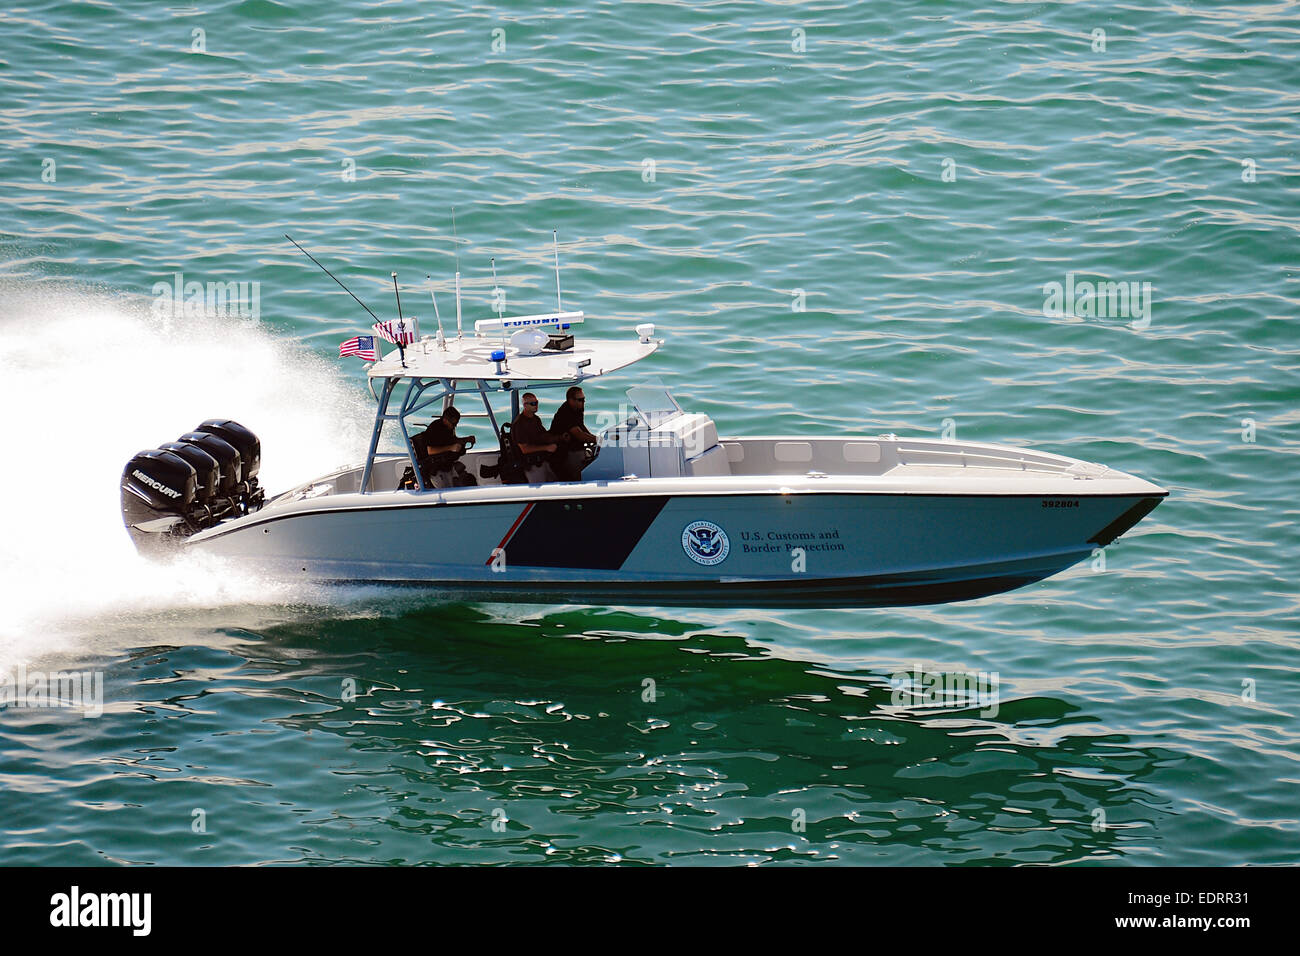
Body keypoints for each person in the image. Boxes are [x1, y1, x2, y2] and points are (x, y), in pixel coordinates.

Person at [411, 406, 477, 488]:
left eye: (456, 424)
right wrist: (451, 448)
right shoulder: (435, 428)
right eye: (453, 424)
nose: (454, 426)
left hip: (446, 463)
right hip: (433, 466)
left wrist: (466, 439)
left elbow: (453, 440)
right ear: (445, 420)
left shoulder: (449, 428)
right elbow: (430, 450)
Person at [548, 385, 599, 482]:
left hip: (574, 448)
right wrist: (599, 440)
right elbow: (579, 435)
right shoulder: (565, 413)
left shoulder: (577, 409)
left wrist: (594, 438)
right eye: (580, 400)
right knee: (577, 475)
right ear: (571, 400)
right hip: (565, 452)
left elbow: (581, 427)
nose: (583, 402)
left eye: (584, 399)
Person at [510, 392, 558, 482]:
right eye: (532, 404)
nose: (535, 405)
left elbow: (543, 436)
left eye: (536, 402)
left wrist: (559, 438)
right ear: (525, 405)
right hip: (531, 466)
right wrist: (547, 448)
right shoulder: (519, 424)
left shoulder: (536, 419)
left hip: (542, 462)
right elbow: (525, 449)